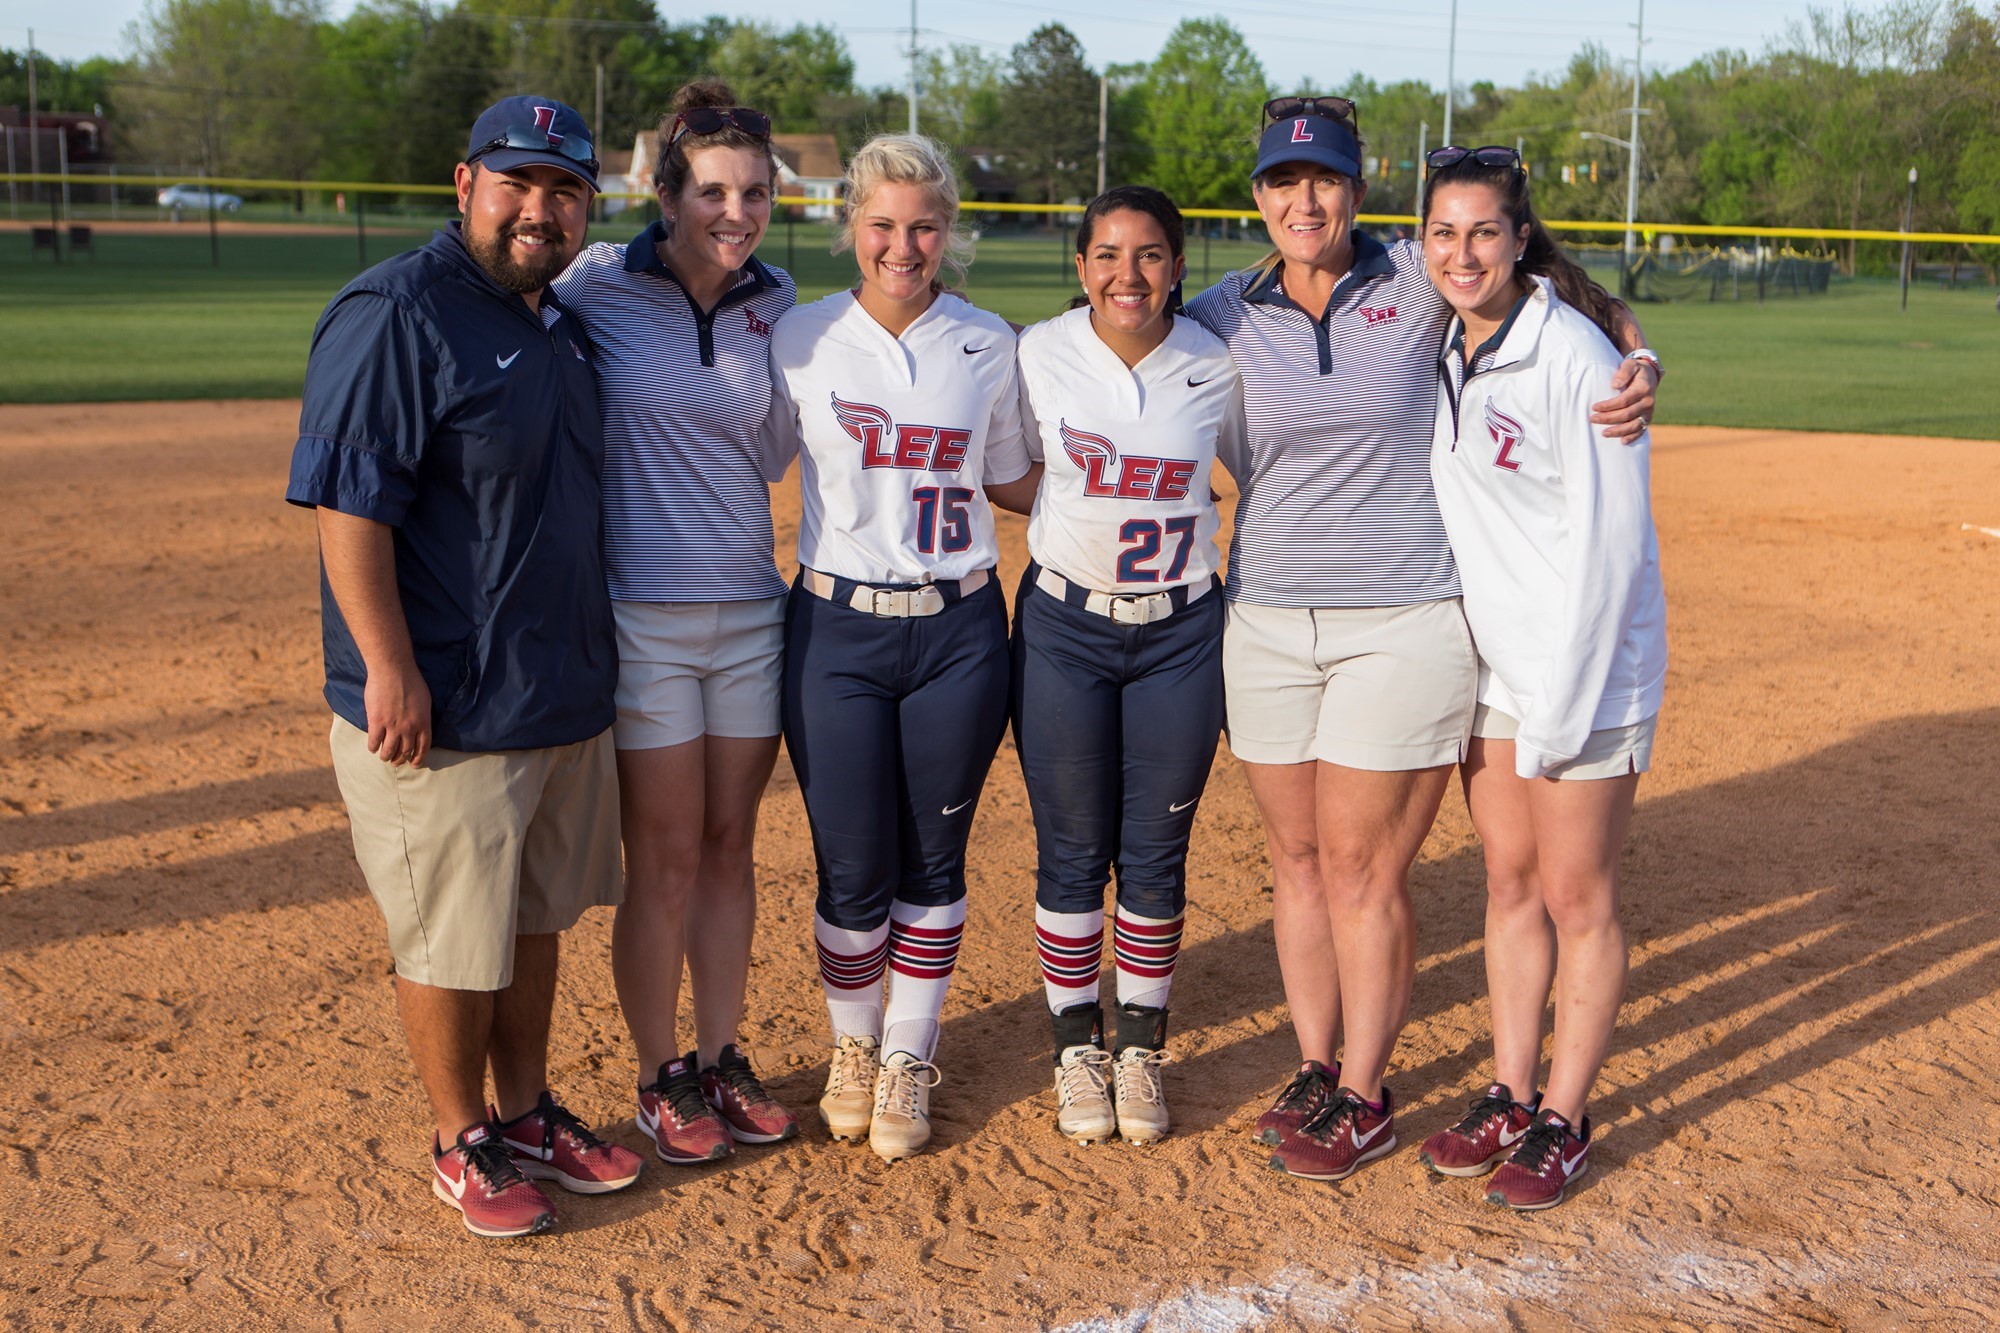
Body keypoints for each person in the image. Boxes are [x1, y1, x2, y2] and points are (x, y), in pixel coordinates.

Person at [1181, 97, 1662, 1184]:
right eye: (1280, 181)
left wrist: (1640, 361)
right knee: (1303, 862)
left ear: (1357, 189)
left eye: (1325, 180)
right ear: (1256, 195)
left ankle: (1371, 1092)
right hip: (1270, 615)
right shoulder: (1218, 310)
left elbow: (1575, 309)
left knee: (1370, 867)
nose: (1303, 200)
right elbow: (1110, 322)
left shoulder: (1411, 275)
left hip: (1413, 618)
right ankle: (1337, 1067)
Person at [286, 96, 642, 1238]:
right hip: (443, 704)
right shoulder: (397, 311)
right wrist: (386, 665)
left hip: (556, 693)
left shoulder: (558, 321)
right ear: (465, 185)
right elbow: (349, 503)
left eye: (565, 190)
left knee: (532, 919)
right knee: (449, 933)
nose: (540, 209)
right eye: (519, 183)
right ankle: (461, 1136)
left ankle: (528, 1109)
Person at [767, 134, 1040, 1162]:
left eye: (922, 225)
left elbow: (1013, 479)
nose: (902, 244)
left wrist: (1136, 480)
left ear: (948, 231)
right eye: (882, 223)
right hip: (832, 630)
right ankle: (852, 1047)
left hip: (957, 631)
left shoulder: (986, 342)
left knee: (932, 857)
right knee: (848, 862)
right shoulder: (795, 339)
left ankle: (907, 1054)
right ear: (850, 223)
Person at [548, 80, 800, 1168]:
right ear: (664, 193)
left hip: (751, 608)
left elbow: (782, 446)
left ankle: (719, 1053)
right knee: (659, 856)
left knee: (729, 848)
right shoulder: (595, 284)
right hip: (640, 618)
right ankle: (659, 1078)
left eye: (752, 193)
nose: (734, 212)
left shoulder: (779, 302)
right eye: (711, 191)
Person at [1410, 145, 1666, 1210]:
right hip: (1499, 665)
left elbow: (1611, 547)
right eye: (1440, 232)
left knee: (1576, 897)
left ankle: (1565, 1113)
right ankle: (1509, 1090)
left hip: (1585, 667)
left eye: (1482, 232)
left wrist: (1638, 355)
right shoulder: (1440, 336)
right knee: (1507, 884)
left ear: (1520, 240)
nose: (1459, 252)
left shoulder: (1572, 357)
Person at [1011, 186, 1245, 1145]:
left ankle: (1141, 1043)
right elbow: (1004, 468)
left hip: (1183, 631)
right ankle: (1078, 1046)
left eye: (1150, 255)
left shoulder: (1217, 362)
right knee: (1071, 848)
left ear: (1179, 266)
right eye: (1107, 255)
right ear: (1080, 268)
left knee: (1155, 849)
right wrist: (1078, 516)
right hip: (1067, 625)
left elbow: (1267, 468)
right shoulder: (1035, 353)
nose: (1128, 275)